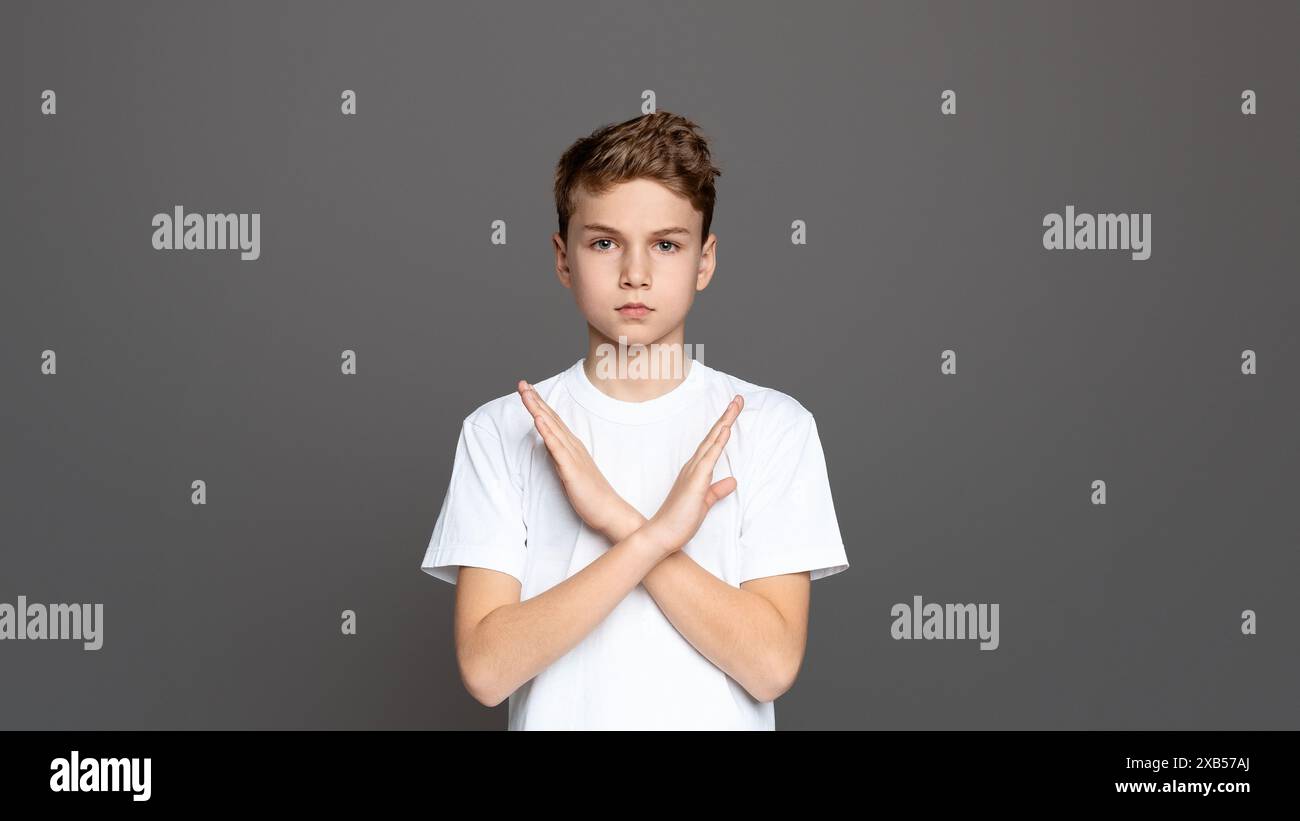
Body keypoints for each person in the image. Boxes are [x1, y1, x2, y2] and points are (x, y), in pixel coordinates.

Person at [421, 111, 849, 730]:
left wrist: (615, 516)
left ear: (705, 261)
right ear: (563, 258)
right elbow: (487, 672)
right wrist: (650, 536)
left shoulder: (774, 427)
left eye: (667, 245)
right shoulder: (501, 430)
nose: (635, 273)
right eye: (604, 242)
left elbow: (770, 664)